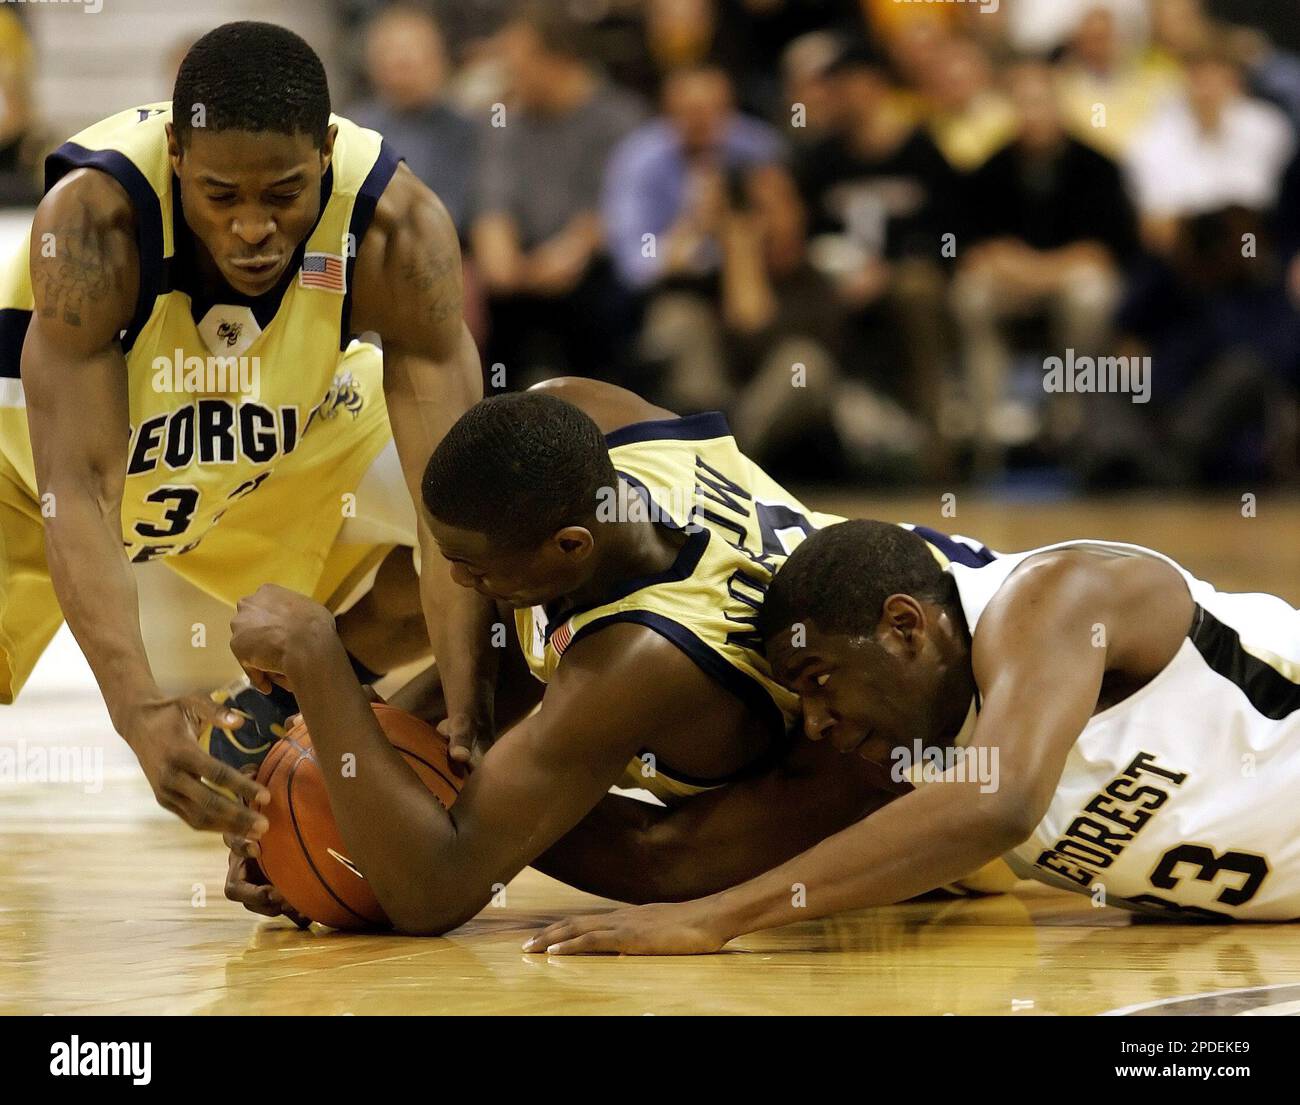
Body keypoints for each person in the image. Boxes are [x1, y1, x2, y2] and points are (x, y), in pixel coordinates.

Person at [222, 381, 1007, 931]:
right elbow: (502, 647)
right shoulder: (583, 419)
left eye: (473, 567)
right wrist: (334, 785)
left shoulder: (643, 659)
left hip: (935, 767)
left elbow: (445, 888)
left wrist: (327, 674)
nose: (452, 582)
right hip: (904, 620)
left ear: (570, 547)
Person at [0, 22, 494, 839]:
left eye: (285, 195)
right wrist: (141, 713)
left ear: (328, 153)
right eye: (221, 197)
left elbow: (455, 512)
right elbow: (79, 495)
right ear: (178, 156)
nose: (254, 228)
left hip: (280, 438)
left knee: (499, 538)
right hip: (34, 467)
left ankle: (272, 712)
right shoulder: (91, 225)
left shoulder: (396, 229)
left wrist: (469, 704)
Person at [526, 519, 1300, 954]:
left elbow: (997, 804)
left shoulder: (1056, 597)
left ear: (905, 626)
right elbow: (673, 852)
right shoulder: (927, 744)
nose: (819, 723)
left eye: (819, 678)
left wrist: (716, 916)